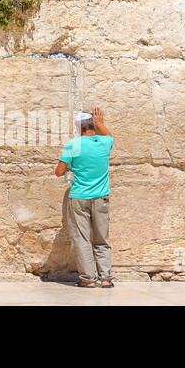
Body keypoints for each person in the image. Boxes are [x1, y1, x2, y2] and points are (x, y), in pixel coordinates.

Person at [55, 107, 114, 288]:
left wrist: (73, 166)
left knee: (82, 238)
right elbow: (109, 136)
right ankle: (105, 278)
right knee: (101, 238)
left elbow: (59, 172)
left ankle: (88, 279)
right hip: (101, 198)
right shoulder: (105, 143)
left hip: (79, 197)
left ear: (79, 129)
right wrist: (101, 124)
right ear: (93, 127)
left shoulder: (74, 145)